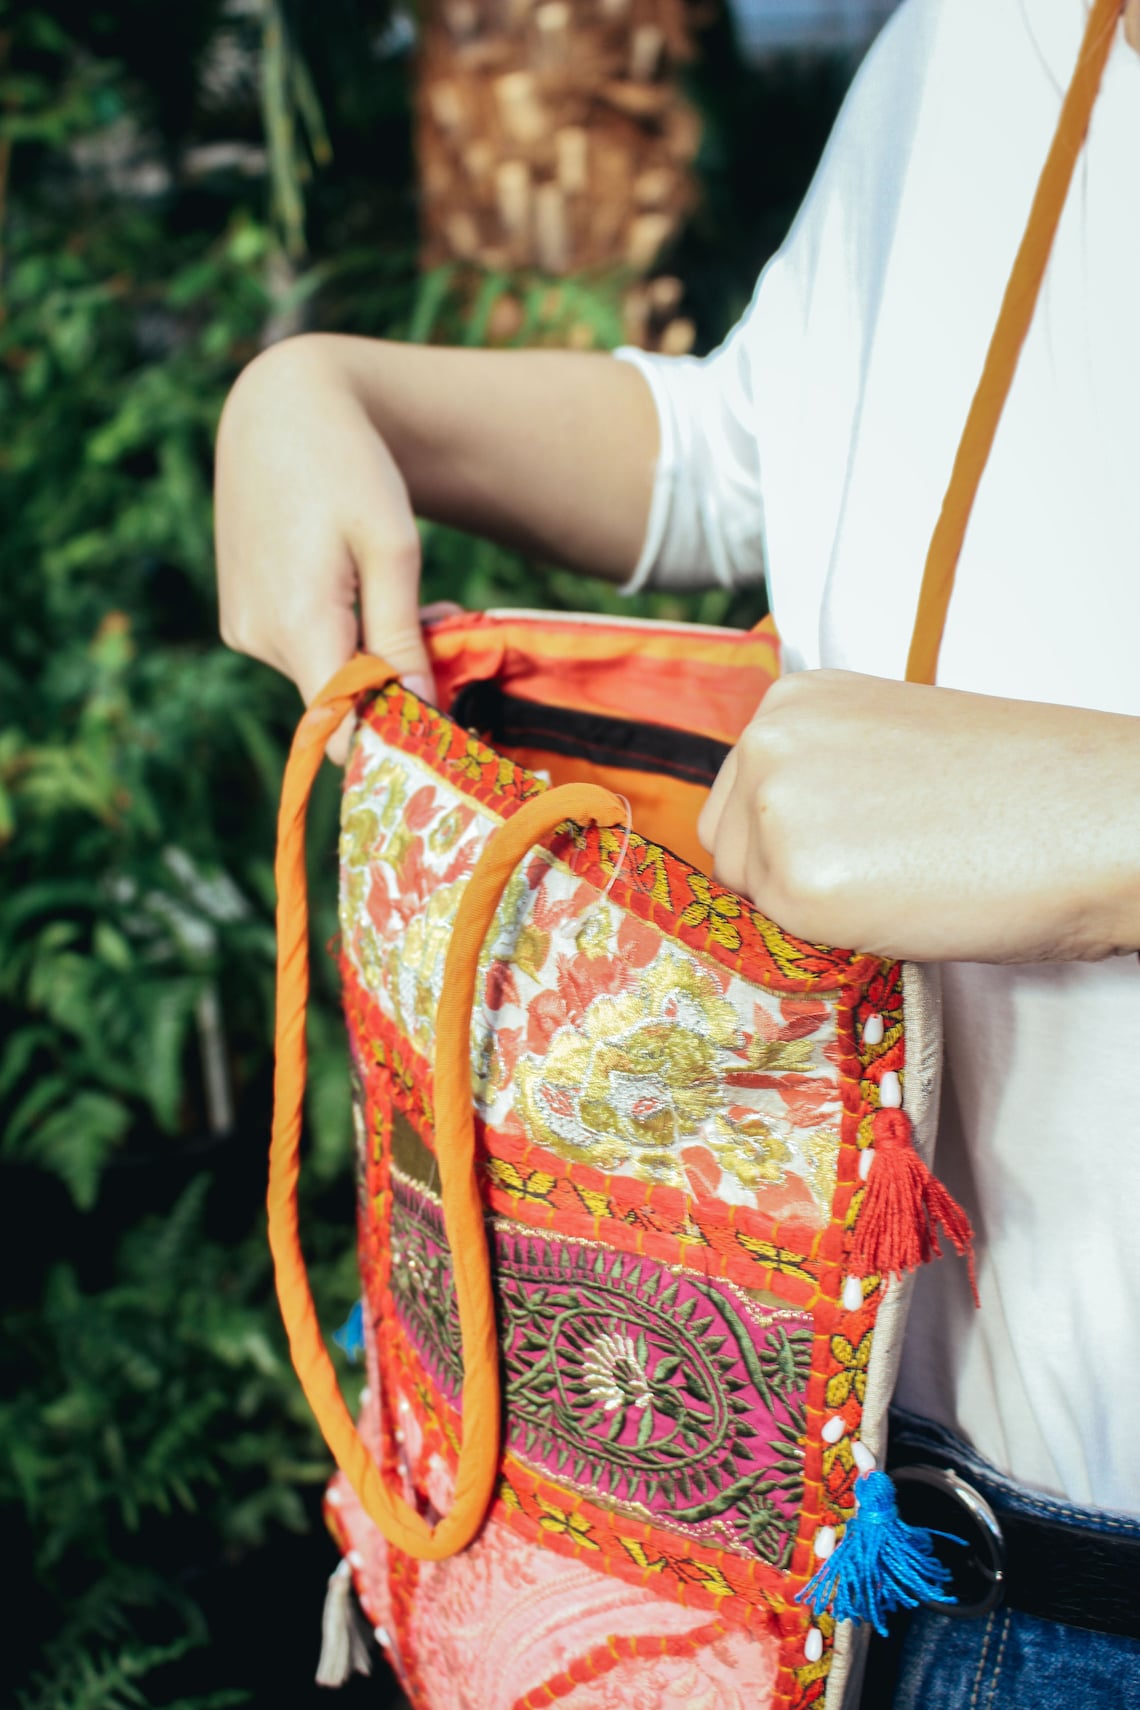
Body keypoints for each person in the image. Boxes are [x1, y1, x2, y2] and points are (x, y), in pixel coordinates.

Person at [214, 0, 1140, 1700]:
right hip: (792, 1541)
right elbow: (751, 439)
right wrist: (325, 394)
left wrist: (1105, 825)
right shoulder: (986, 35)